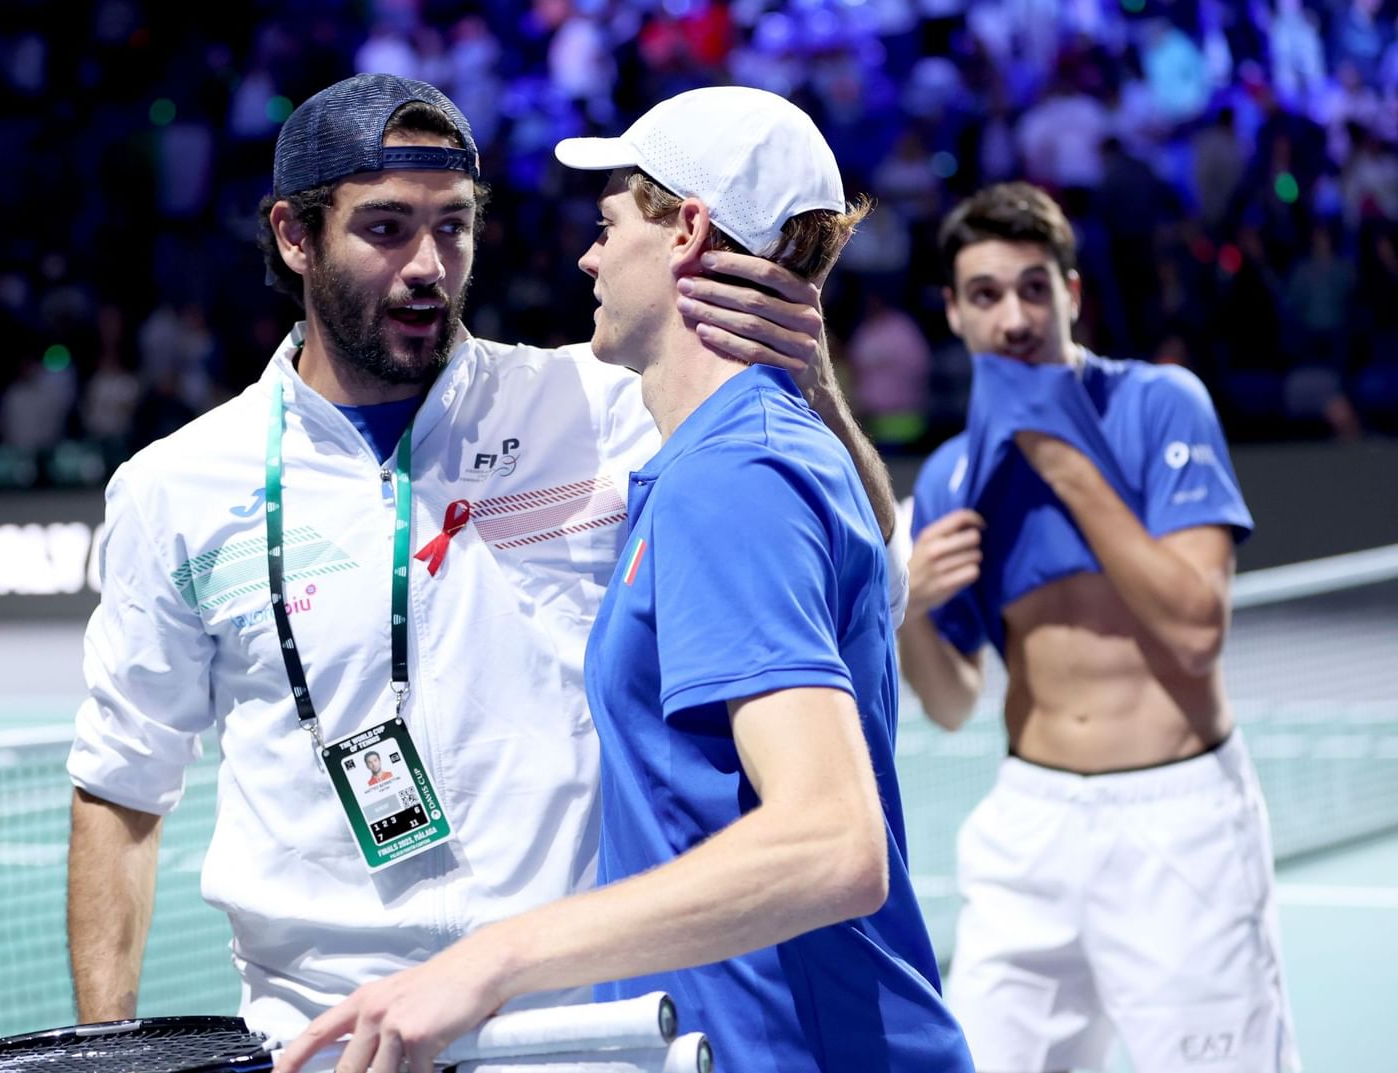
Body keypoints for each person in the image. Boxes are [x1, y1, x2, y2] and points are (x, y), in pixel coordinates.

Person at [65, 73, 902, 1043]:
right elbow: (122, 782)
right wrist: (106, 1050)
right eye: (386, 228)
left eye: (453, 226)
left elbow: (865, 567)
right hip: (324, 1034)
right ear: (294, 236)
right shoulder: (178, 485)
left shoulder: (600, 401)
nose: (429, 263)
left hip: (581, 1027)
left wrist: (812, 386)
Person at [279, 86, 971, 1073]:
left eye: (608, 224)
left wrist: (491, 958)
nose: (588, 256)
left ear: (687, 229)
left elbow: (831, 841)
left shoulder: (735, 475)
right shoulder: (722, 455)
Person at [898, 181, 1298, 1073]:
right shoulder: (953, 477)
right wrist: (913, 606)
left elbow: (1197, 633)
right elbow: (954, 701)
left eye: (1035, 287)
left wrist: (1059, 456)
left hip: (1179, 822)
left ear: (1072, 296)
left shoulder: (1160, 405)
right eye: (986, 295)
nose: (1014, 317)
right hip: (1030, 825)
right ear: (955, 313)